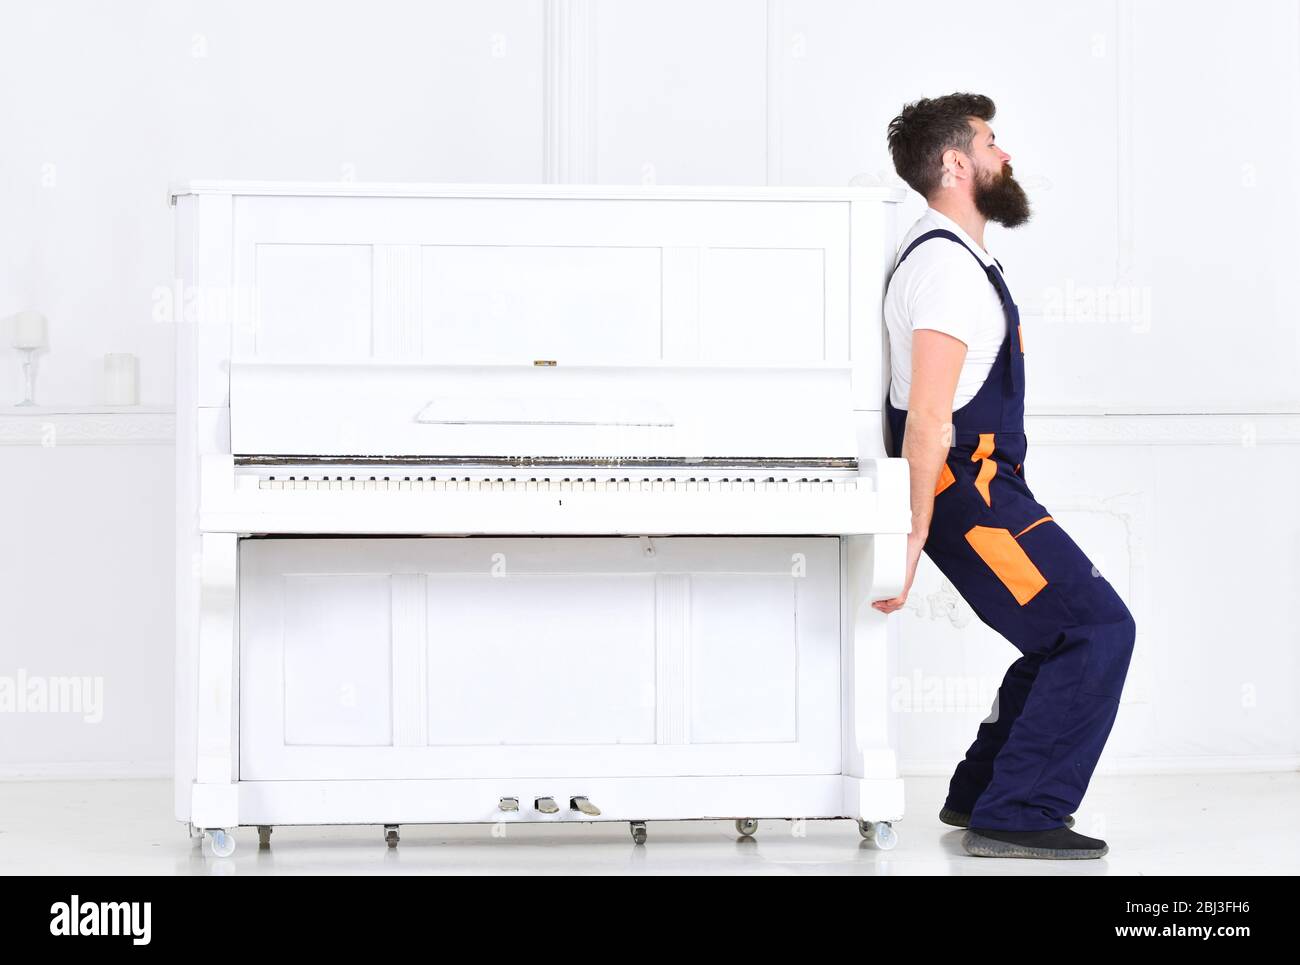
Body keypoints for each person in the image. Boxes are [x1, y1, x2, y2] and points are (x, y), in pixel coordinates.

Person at [872, 92, 1137, 859]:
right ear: (956, 163)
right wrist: (915, 529)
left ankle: (981, 792)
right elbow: (926, 416)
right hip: (970, 499)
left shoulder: (956, 255)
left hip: (987, 490)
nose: (1005, 154)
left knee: (1066, 632)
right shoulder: (947, 270)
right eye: (991, 141)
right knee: (1096, 629)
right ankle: (1017, 812)